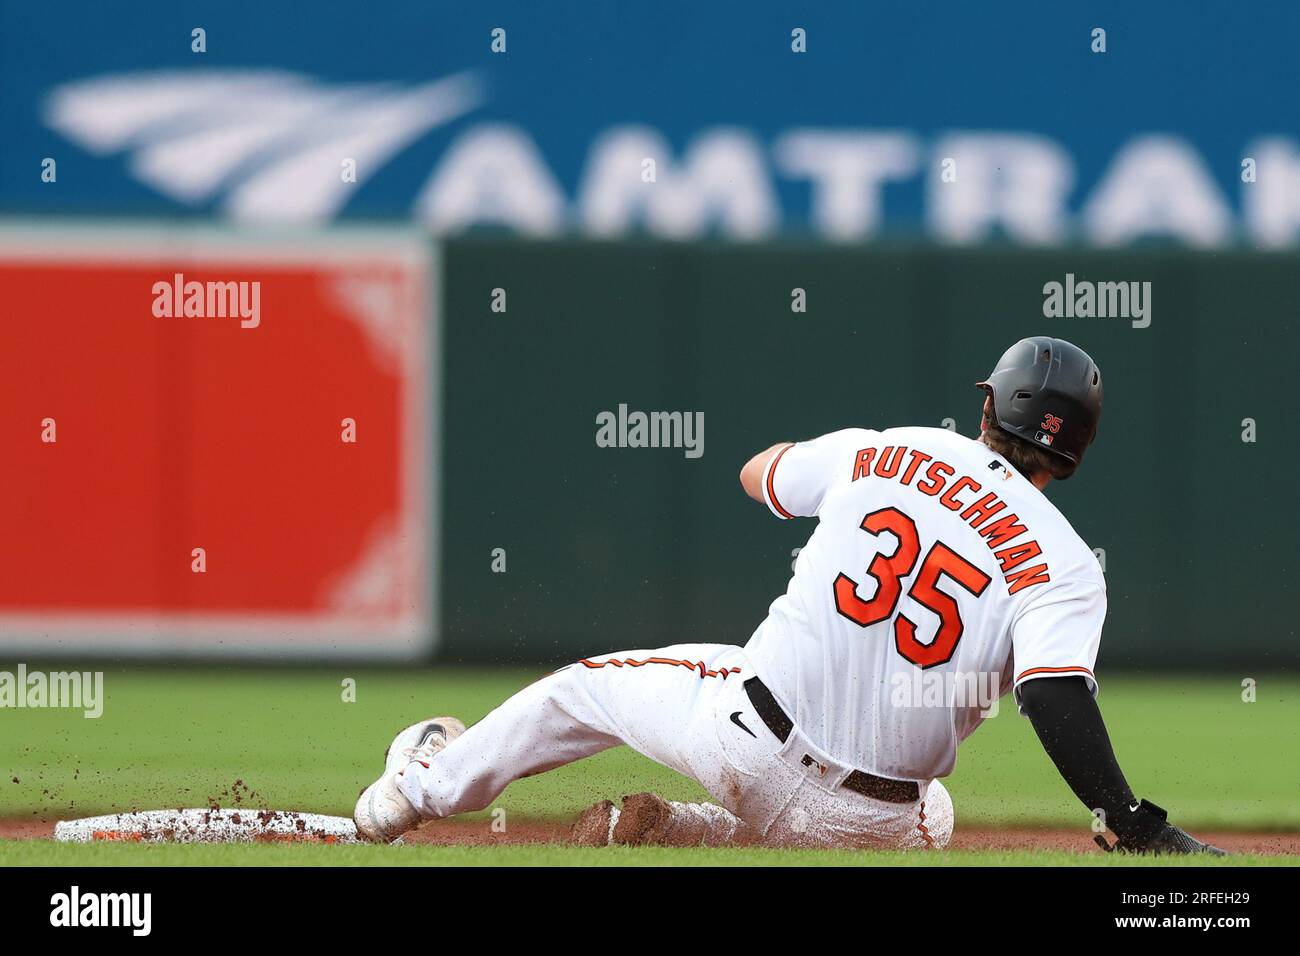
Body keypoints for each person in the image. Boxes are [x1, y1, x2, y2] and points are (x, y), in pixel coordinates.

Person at [354, 335, 1222, 854]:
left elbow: (757, 475)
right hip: (867, 824)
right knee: (936, 816)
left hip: (741, 734)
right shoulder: (1068, 564)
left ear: (989, 405)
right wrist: (1125, 815)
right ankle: (695, 834)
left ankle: (415, 793)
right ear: (1072, 454)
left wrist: (844, 469)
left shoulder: (901, 446)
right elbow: (1053, 696)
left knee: (586, 687)